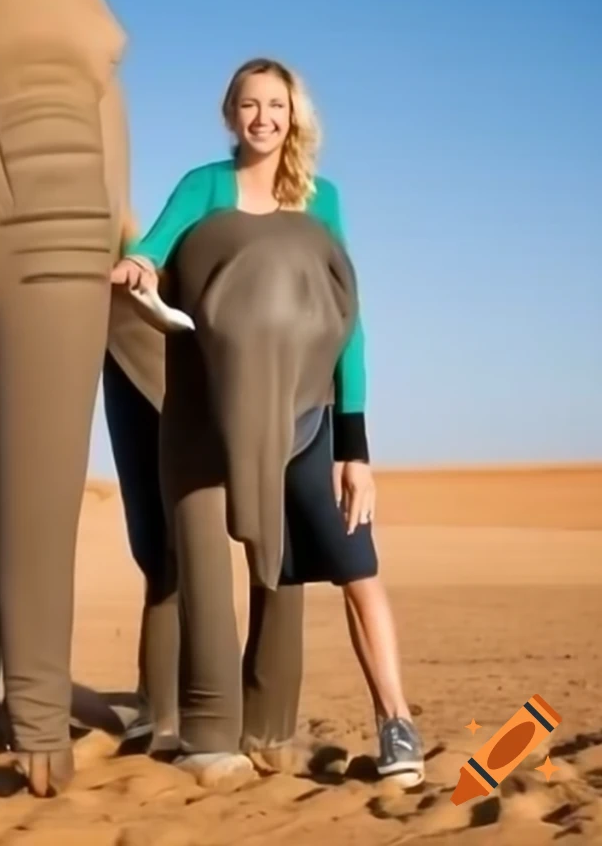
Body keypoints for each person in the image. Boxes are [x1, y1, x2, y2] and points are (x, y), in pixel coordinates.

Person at [111, 56, 424, 786]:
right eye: (249, 105)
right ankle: (209, 726)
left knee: (299, 572)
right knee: (200, 567)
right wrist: (137, 268)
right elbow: (153, 248)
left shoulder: (322, 200)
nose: (263, 118)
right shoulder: (203, 187)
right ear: (232, 114)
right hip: (204, 409)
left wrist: (354, 443)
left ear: (294, 115)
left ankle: (280, 722)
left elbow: (347, 318)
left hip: (303, 412)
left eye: (276, 106)